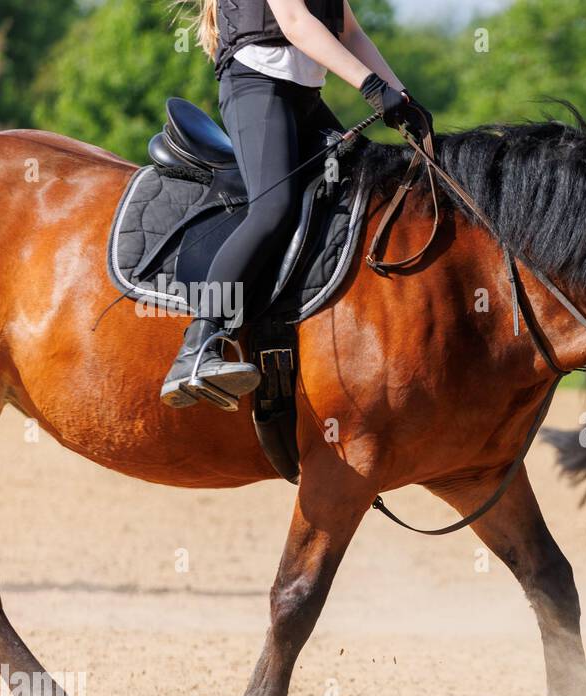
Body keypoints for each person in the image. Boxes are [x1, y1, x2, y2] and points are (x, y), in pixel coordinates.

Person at [162, 0, 430, 410]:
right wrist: (374, 89)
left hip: (305, 97)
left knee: (361, 192)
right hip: (256, 87)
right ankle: (199, 346)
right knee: (273, 209)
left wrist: (401, 95)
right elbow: (294, 22)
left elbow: (351, 32)